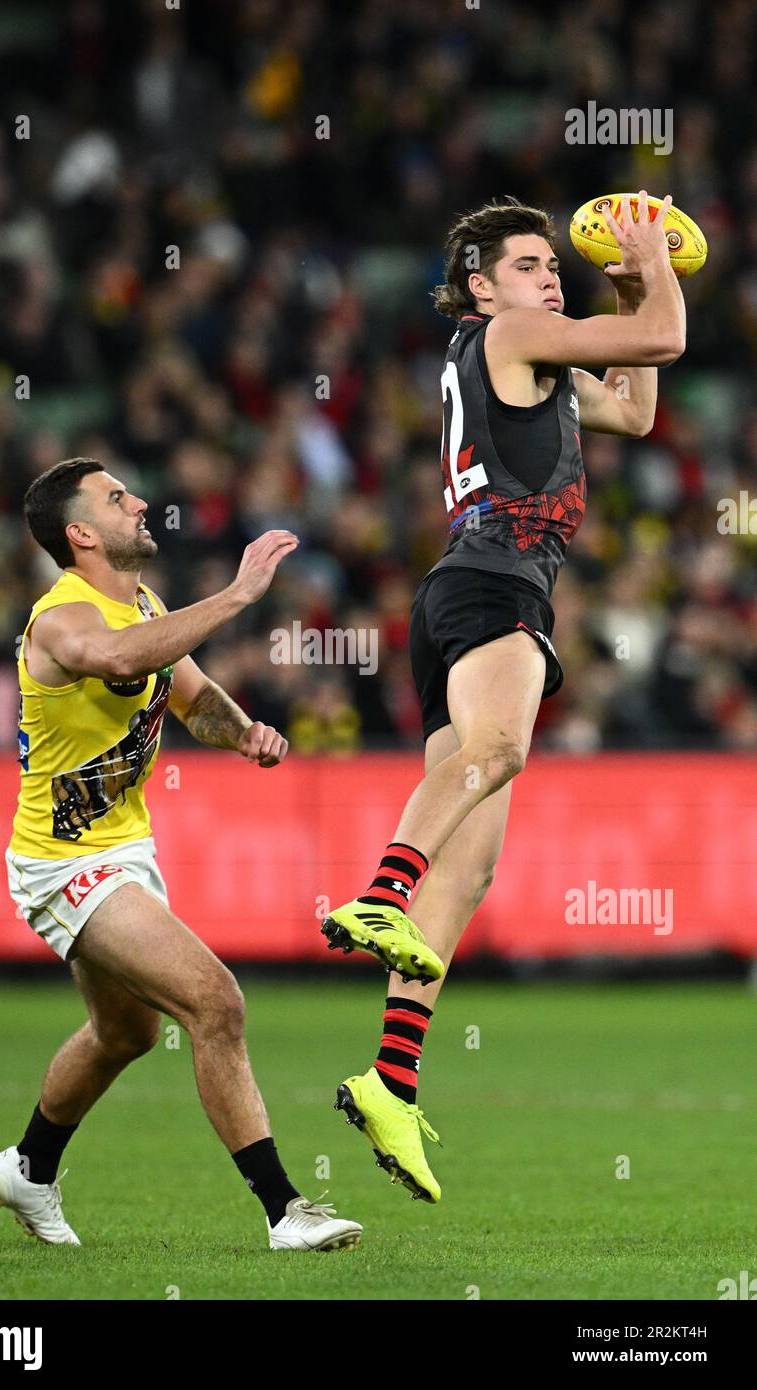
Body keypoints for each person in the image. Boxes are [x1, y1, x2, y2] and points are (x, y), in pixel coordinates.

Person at [324, 192, 686, 1202]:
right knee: (499, 753)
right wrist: (654, 263)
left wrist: (618, 286)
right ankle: (376, 894)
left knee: (472, 866)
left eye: (548, 264)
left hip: (463, 587)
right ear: (479, 283)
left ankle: (389, 1077)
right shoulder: (512, 330)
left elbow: (637, 401)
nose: (545, 276)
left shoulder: (533, 356)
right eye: (527, 262)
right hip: (495, 579)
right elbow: (660, 336)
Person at [0, 457, 361, 1252]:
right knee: (215, 1003)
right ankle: (285, 1212)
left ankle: (30, 1169)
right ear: (80, 533)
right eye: (117, 498)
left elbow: (191, 696)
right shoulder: (61, 618)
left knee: (126, 1035)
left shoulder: (143, 604)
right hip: (62, 860)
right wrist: (236, 596)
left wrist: (243, 731)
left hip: (125, 847)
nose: (140, 501)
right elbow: (119, 661)